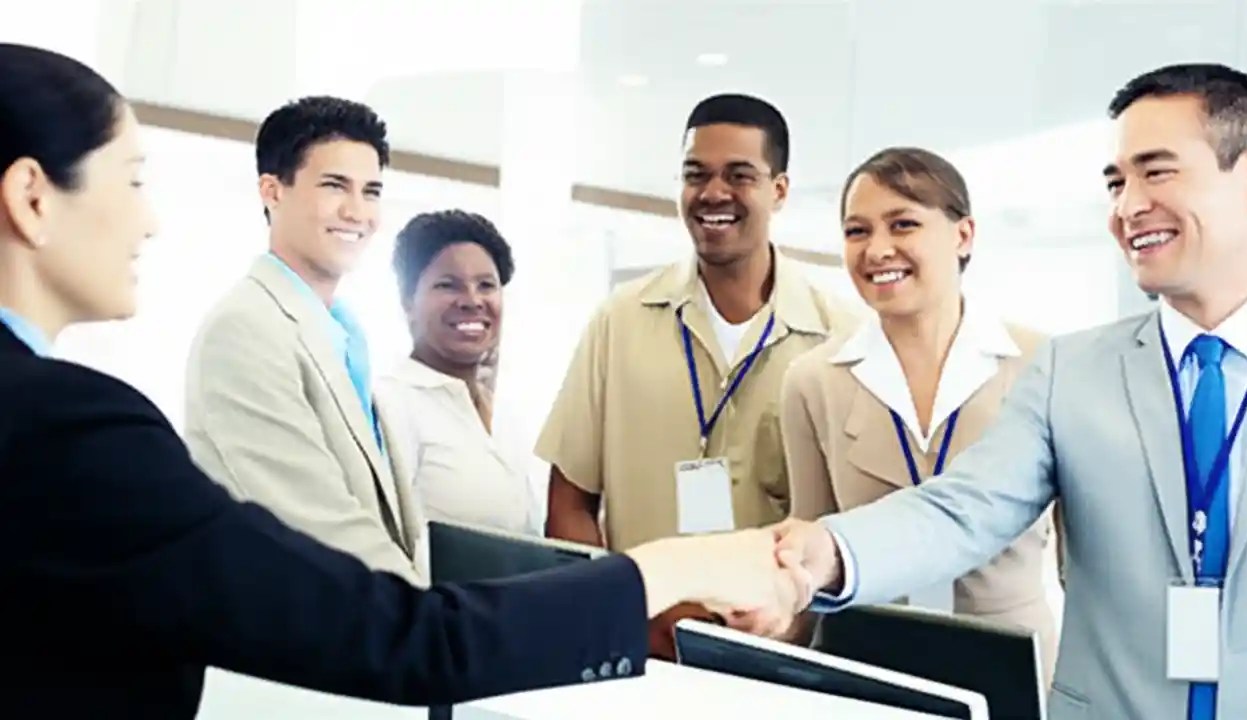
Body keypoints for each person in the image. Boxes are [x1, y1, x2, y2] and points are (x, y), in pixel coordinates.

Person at [0, 43, 807, 718]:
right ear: (33, 197)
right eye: (133, 179)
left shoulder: (335, 342)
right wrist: (665, 573)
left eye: (371, 190)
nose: (151, 219)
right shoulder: (67, 426)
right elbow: (392, 627)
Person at [769, 63, 1247, 719]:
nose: (1127, 207)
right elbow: (962, 510)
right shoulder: (1071, 370)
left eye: (1157, 172)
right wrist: (830, 552)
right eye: (1117, 183)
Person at [535, 93, 854, 655]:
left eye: (739, 175)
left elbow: (852, 528)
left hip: (781, 660)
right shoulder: (620, 319)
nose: (713, 194)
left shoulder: (840, 336)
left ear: (779, 190)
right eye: (695, 174)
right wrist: (619, 613)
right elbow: (569, 502)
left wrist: (782, 625)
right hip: (637, 649)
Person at [779, 146, 1060, 681]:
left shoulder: (1043, 365)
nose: (877, 249)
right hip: (867, 656)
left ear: (963, 235)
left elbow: (1082, 568)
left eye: (902, 224)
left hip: (1010, 659)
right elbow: (811, 551)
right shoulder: (812, 381)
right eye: (857, 231)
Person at [184, 95, 425, 583]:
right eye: (336, 186)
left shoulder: (345, 334)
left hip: (362, 632)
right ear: (272, 191)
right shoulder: (246, 329)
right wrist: (442, 626)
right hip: (288, 639)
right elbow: (319, 521)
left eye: (372, 191)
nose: (358, 212)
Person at [376, 209, 539, 536]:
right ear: (408, 302)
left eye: (486, 285)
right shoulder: (390, 403)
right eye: (448, 285)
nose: (472, 300)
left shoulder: (508, 419)